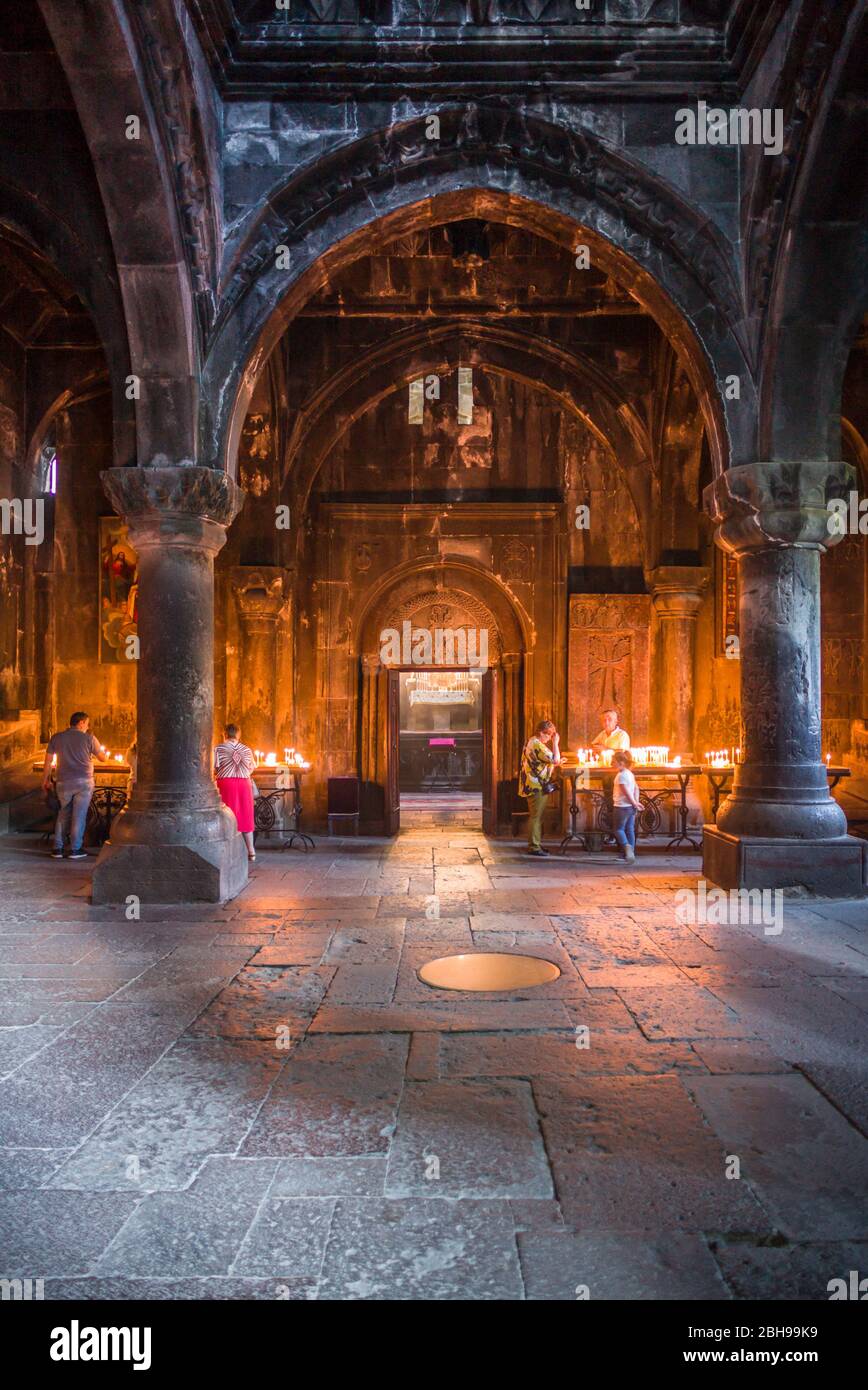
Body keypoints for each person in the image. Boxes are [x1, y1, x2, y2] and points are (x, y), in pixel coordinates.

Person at [41, 711, 108, 860]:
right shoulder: (89, 738)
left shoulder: (57, 738)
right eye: (87, 723)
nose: (88, 726)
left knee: (63, 813)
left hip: (63, 781)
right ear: (81, 722)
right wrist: (105, 754)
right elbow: (102, 758)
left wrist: (45, 780)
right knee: (79, 815)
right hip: (84, 781)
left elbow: (48, 762)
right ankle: (75, 849)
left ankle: (57, 848)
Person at [519, 719, 562, 857]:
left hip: (531, 783)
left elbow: (542, 761)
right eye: (548, 735)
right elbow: (554, 759)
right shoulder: (537, 744)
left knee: (535, 815)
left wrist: (554, 762)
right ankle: (534, 847)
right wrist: (556, 744)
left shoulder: (531, 741)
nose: (549, 739)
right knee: (536, 817)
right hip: (536, 786)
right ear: (541, 733)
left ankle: (535, 843)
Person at [214, 724, 257, 861]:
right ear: (238, 734)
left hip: (226, 783)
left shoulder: (218, 749)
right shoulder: (247, 749)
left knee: (228, 815)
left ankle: (228, 851)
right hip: (244, 784)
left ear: (224, 734)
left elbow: (214, 767)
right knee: (245, 814)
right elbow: (252, 767)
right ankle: (251, 851)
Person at [611, 749, 642, 863]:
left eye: (613, 761)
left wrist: (634, 803)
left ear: (621, 762)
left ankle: (627, 850)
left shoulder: (621, 776)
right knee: (629, 830)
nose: (611, 764)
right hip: (630, 806)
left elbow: (626, 792)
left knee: (618, 830)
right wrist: (636, 802)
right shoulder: (630, 774)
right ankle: (630, 854)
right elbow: (636, 789)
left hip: (621, 806)